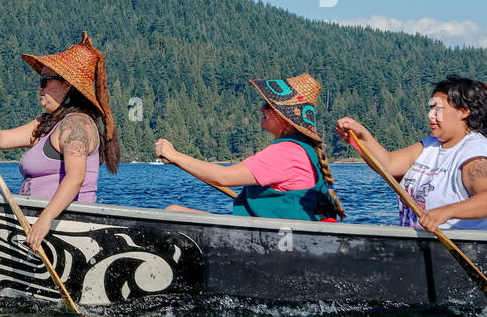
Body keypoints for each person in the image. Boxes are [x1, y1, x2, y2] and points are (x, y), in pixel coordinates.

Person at [0, 31, 121, 251]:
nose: (39, 88)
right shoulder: (48, 123)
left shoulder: (77, 124)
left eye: (44, 81)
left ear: (66, 85)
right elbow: (1, 139)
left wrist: (45, 219)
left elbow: (75, 178)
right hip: (35, 226)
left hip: (65, 232)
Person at [155, 73, 345, 221]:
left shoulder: (287, 152)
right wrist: (177, 159)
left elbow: (224, 177)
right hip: (273, 233)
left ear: (284, 117)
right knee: (174, 211)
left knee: (171, 213)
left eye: (267, 105)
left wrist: (174, 154)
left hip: (274, 241)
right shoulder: (302, 149)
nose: (262, 109)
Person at [336, 75, 487, 231]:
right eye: (430, 108)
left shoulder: (475, 152)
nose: (430, 115)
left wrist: (448, 212)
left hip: (458, 250)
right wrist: (362, 138)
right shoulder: (429, 146)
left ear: (463, 111)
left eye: (438, 109)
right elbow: (388, 165)